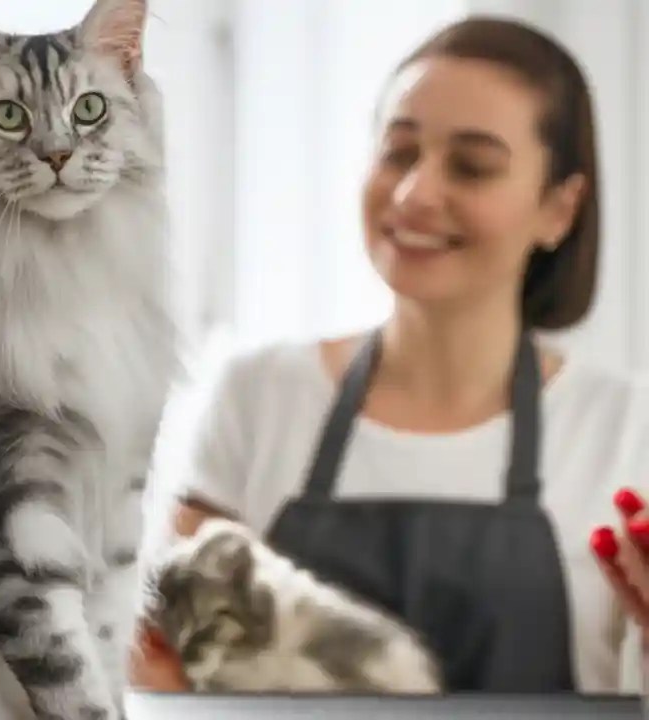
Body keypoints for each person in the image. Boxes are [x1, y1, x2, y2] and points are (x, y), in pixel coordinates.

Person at [131, 15, 649, 694]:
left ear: (559, 208)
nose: (414, 195)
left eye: (472, 166)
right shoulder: (255, 394)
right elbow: (168, 672)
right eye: (399, 152)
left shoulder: (626, 430)